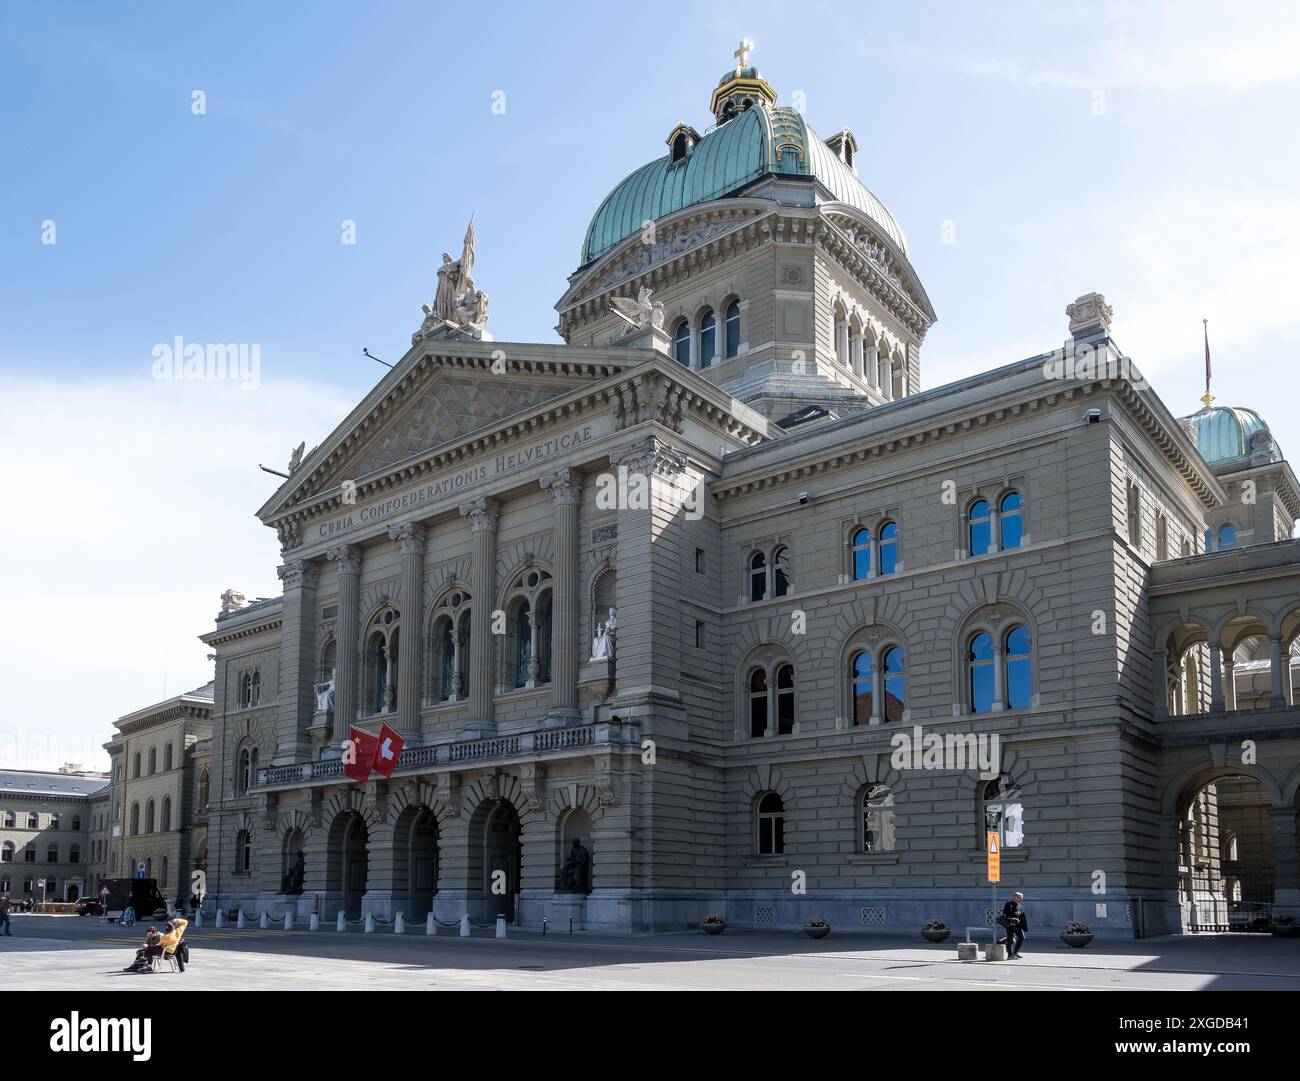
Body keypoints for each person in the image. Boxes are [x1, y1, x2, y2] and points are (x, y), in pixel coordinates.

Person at [1001, 891, 1028, 959]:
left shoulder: (1019, 905)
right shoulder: (1008, 904)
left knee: (1021, 937)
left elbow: (1021, 913)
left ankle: (1015, 953)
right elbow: (1005, 914)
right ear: (1016, 897)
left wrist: (1020, 913)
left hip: (1017, 925)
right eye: (1021, 898)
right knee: (1010, 939)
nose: (1022, 900)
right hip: (1010, 924)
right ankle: (1010, 955)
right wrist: (1014, 915)